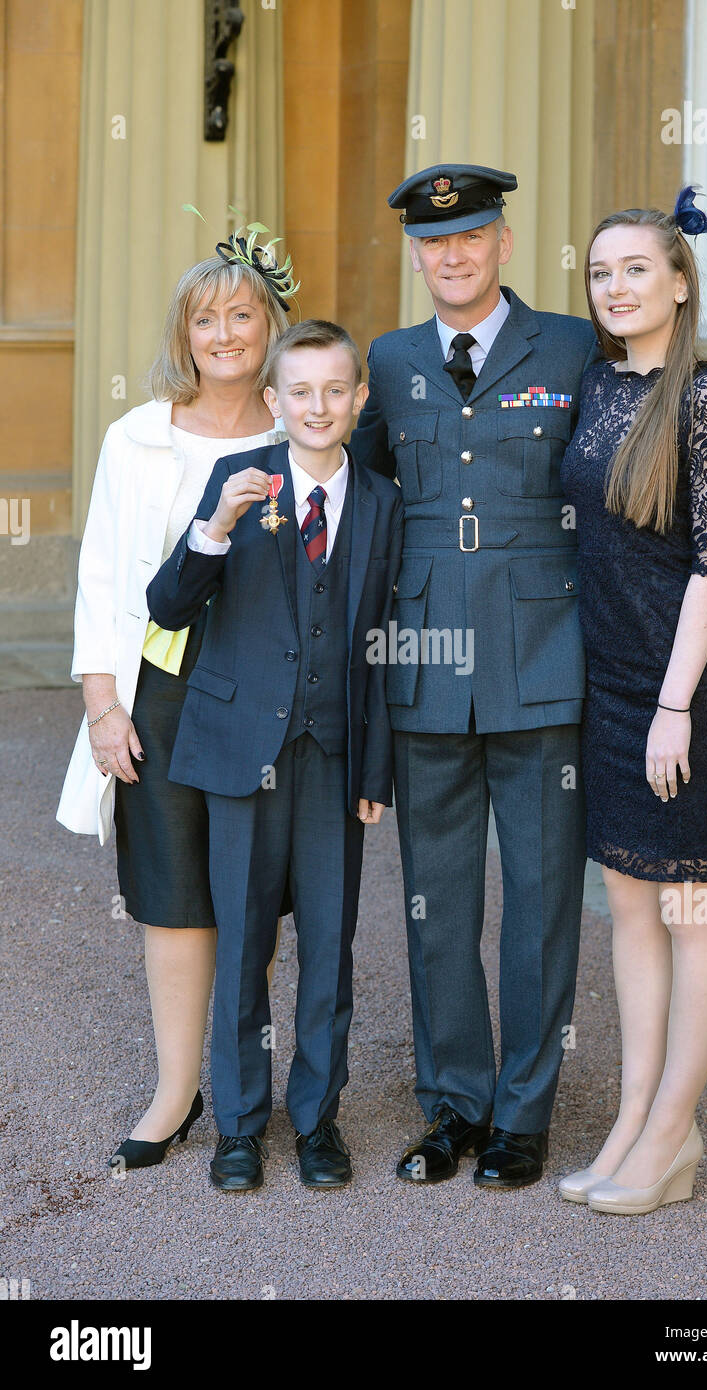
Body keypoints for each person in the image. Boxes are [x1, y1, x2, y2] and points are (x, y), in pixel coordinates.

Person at [351, 164, 597, 1188]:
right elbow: (362, 495)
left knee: (540, 894)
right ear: (418, 256)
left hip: (542, 658)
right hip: (425, 664)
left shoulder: (574, 347)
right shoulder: (392, 359)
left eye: (472, 236)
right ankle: (454, 1104)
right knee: (436, 899)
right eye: (434, 243)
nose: (453, 255)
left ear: (501, 243)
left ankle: (523, 1115)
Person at [146, 320, 404, 1191]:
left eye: (337, 390)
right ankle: (238, 1126)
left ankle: (318, 1122)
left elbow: (380, 640)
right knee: (246, 943)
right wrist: (215, 528)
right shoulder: (234, 484)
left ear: (359, 397)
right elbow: (170, 608)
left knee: (330, 947)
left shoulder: (380, 501)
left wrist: (374, 768)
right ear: (274, 401)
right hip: (239, 751)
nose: (319, 405)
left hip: (333, 757)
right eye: (301, 391)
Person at [56, 225, 292, 1167]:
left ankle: (242, 1086)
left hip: (266, 691)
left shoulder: (300, 430)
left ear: (271, 327)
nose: (226, 333)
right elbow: (102, 572)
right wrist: (103, 706)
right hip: (159, 686)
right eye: (207, 319)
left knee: (252, 895)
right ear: (185, 334)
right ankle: (173, 1090)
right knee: (169, 893)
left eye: (243, 314)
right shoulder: (137, 435)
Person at [558, 188, 707, 1214]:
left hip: (686, 686)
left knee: (688, 903)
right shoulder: (595, 387)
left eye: (637, 268)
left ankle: (676, 1132)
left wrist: (674, 703)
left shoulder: (705, 399)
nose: (617, 286)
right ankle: (634, 1120)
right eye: (601, 272)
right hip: (609, 682)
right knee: (629, 902)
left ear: (679, 283)